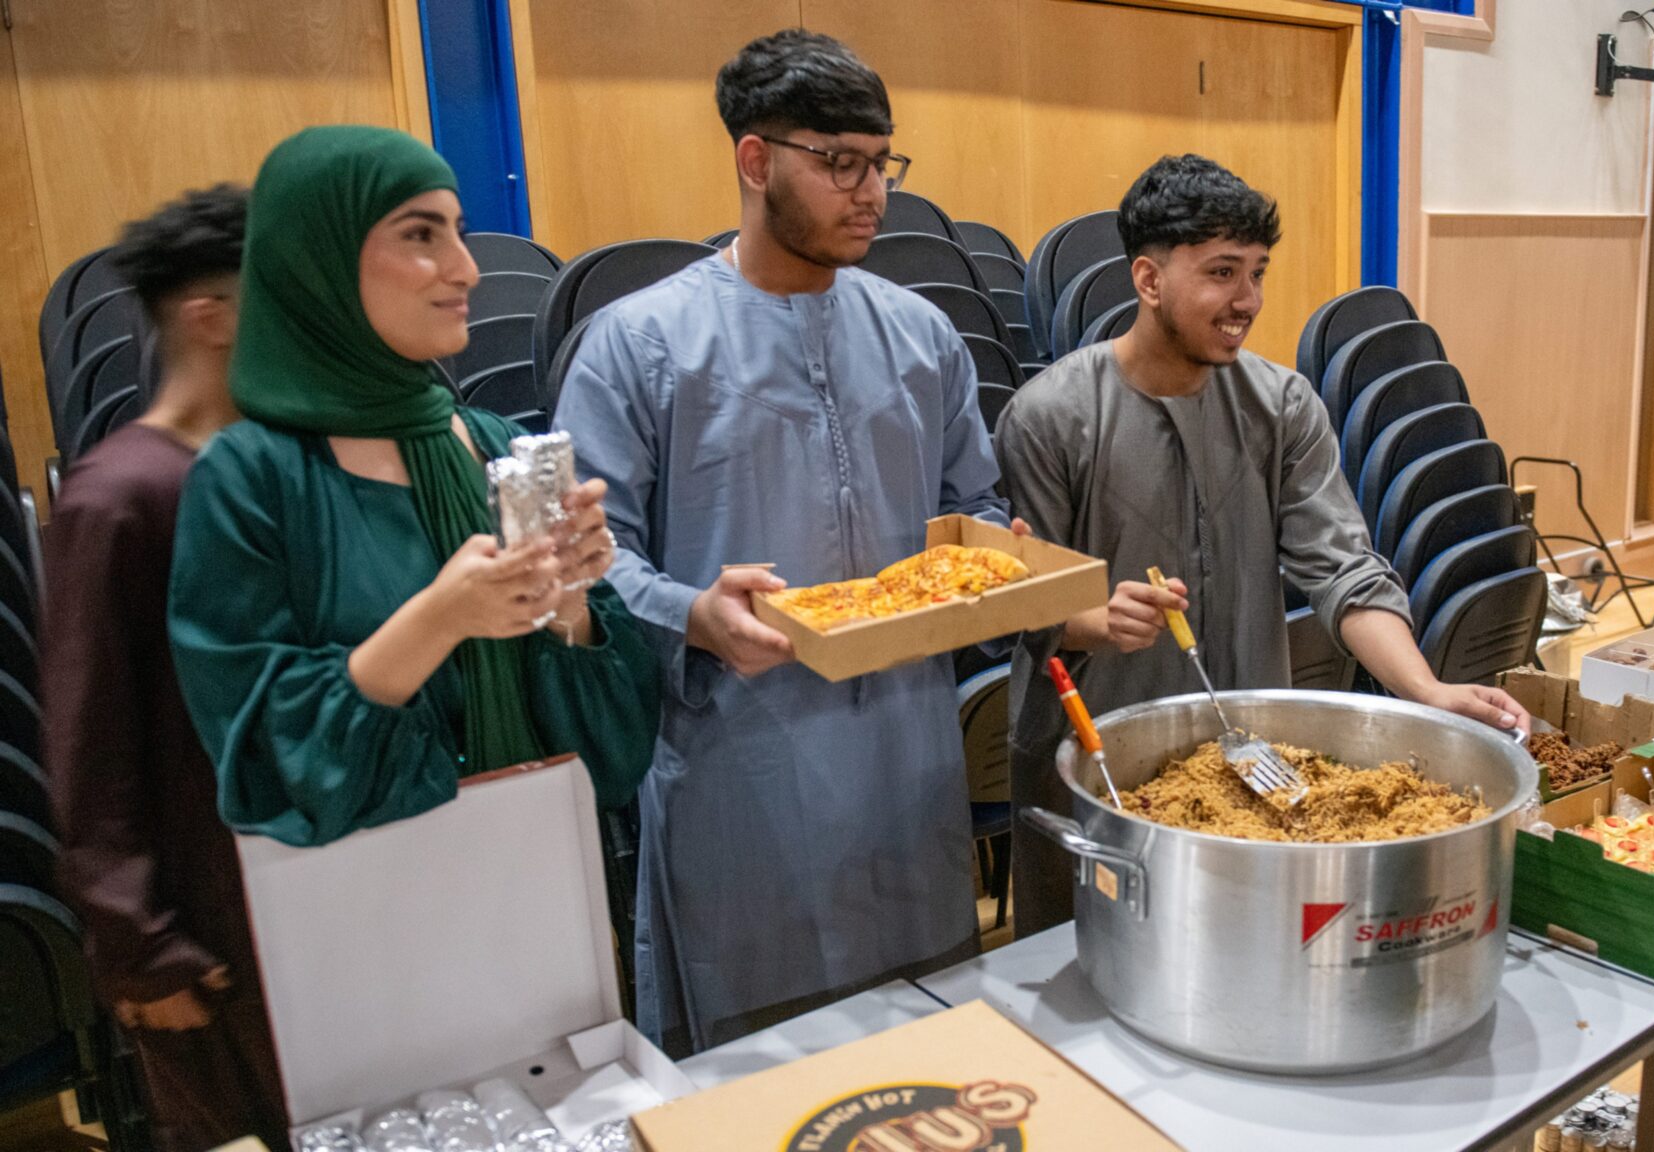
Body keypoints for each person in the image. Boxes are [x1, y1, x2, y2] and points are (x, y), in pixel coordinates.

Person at [557, 30, 1018, 1054]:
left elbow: (974, 503)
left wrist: (997, 555)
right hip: (741, 763)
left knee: (924, 1052)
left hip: (906, 754)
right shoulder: (640, 345)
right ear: (755, 159)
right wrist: (694, 614)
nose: (872, 193)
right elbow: (590, 564)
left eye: (883, 163)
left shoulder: (920, 336)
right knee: (756, 1070)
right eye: (840, 163)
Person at [997, 154, 1532, 937]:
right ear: (1148, 280)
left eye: (1255, 273)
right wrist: (1092, 619)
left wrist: (1425, 690)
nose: (1245, 300)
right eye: (1221, 273)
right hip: (1093, 762)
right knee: (1090, 965)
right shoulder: (1049, 416)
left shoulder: (1280, 404)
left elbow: (1342, 568)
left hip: (1245, 759)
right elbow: (1025, 610)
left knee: (1241, 956)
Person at [168, 126, 659, 853]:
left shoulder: (494, 443)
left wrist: (569, 607)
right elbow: (265, 765)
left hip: (546, 873)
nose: (466, 269)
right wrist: (440, 620)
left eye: (459, 232)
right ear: (322, 263)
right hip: (372, 895)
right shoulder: (248, 480)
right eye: (421, 235)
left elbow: (613, 760)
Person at [42, 185, 290, 1152]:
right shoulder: (119, 496)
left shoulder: (279, 462)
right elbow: (89, 735)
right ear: (211, 315)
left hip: (297, 882)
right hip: (205, 906)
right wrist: (138, 939)